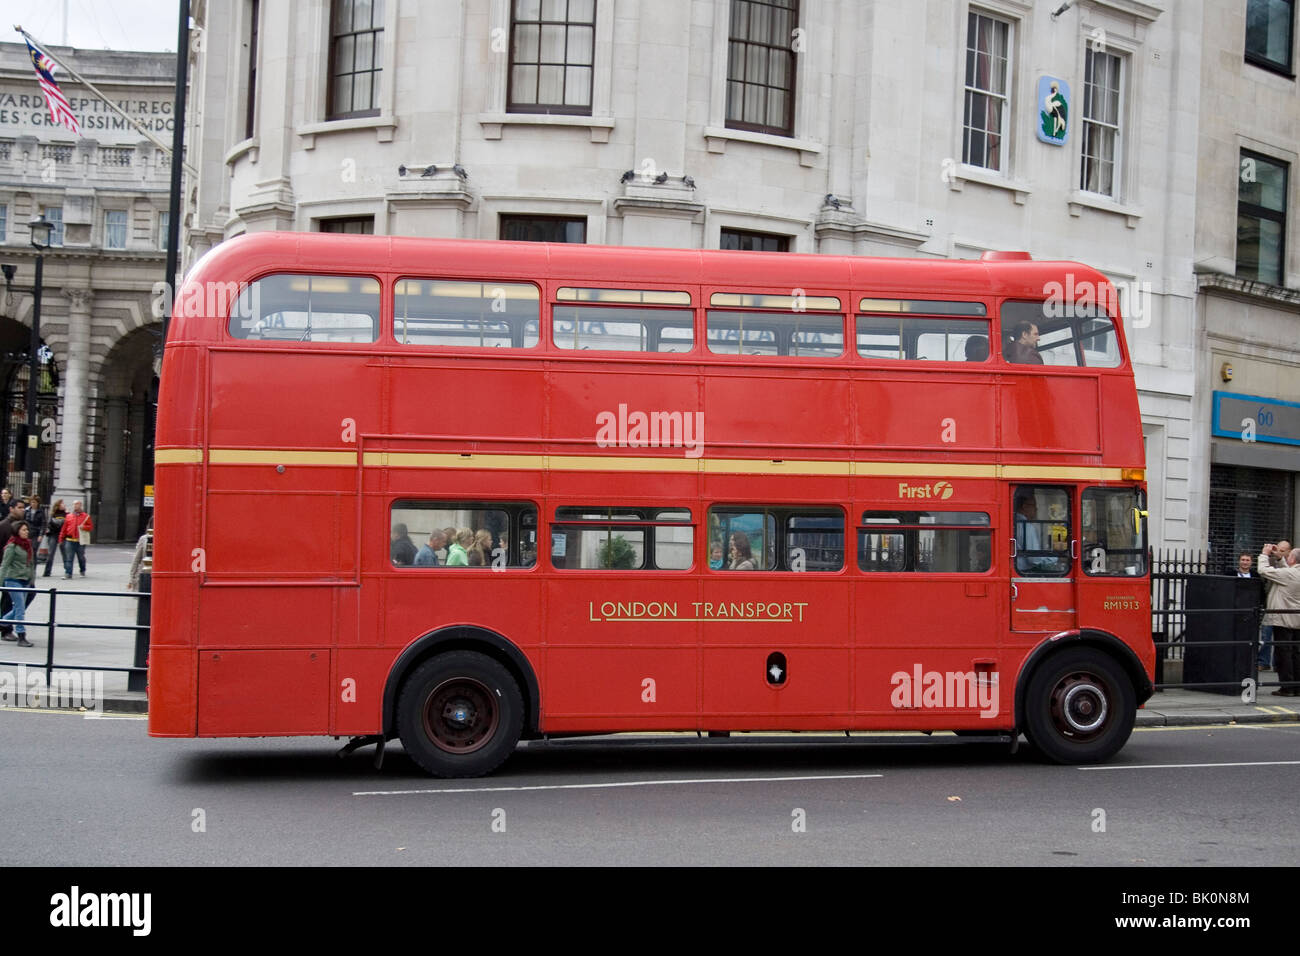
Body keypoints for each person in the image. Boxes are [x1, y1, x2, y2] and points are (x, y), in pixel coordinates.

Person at [1258, 543, 1300, 696]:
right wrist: (1279, 557)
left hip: (1283, 619)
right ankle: (1296, 686)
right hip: (1296, 620)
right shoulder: (1293, 572)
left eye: (1289, 556)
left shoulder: (1290, 575)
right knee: (1296, 654)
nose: (1287, 558)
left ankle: (1287, 687)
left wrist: (1264, 554)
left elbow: (1263, 570)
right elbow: (1286, 571)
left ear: (1293, 559)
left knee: (1284, 654)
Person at [1, 520, 35, 647]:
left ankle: (2, 622)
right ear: (17, 531)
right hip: (13, 579)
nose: (26, 532)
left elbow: (31, 564)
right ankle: (21, 636)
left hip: (25, 580)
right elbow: (5, 565)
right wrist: (0, 582)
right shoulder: (12, 546)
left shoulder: (28, 544)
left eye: (27, 529)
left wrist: (31, 579)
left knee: (17, 609)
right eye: (23, 530)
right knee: (20, 608)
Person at [0, 498, 27, 638]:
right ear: (11, 509)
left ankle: (4, 622)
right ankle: (6, 629)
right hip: (10, 572)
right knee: (7, 599)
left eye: (23, 507)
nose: (23, 510)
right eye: (20, 507)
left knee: (28, 596)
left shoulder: (21, 524)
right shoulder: (4, 526)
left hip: (22, 572)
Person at [58, 500, 93, 579]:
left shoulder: (86, 516)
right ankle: (68, 573)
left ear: (81, 506)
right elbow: (64, 528)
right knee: (69, 557)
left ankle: (82, 570)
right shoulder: (69, 516)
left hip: (80, 540)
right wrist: (60, 538)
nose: (75, 506)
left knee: (81, 557)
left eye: (77, 504)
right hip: (69, 539)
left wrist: (84, 527)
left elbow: (90, 527)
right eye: (74, 504)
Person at [42, 499, 66, 577]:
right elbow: (50, 524)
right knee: (50, 553)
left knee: (65, 554)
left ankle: (68, 570)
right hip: (53, 534)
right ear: (58, 505)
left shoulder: (66, 514)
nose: (64, 505)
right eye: (62, 504)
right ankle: (47, 571)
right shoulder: (52, 514)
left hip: (62, 535)